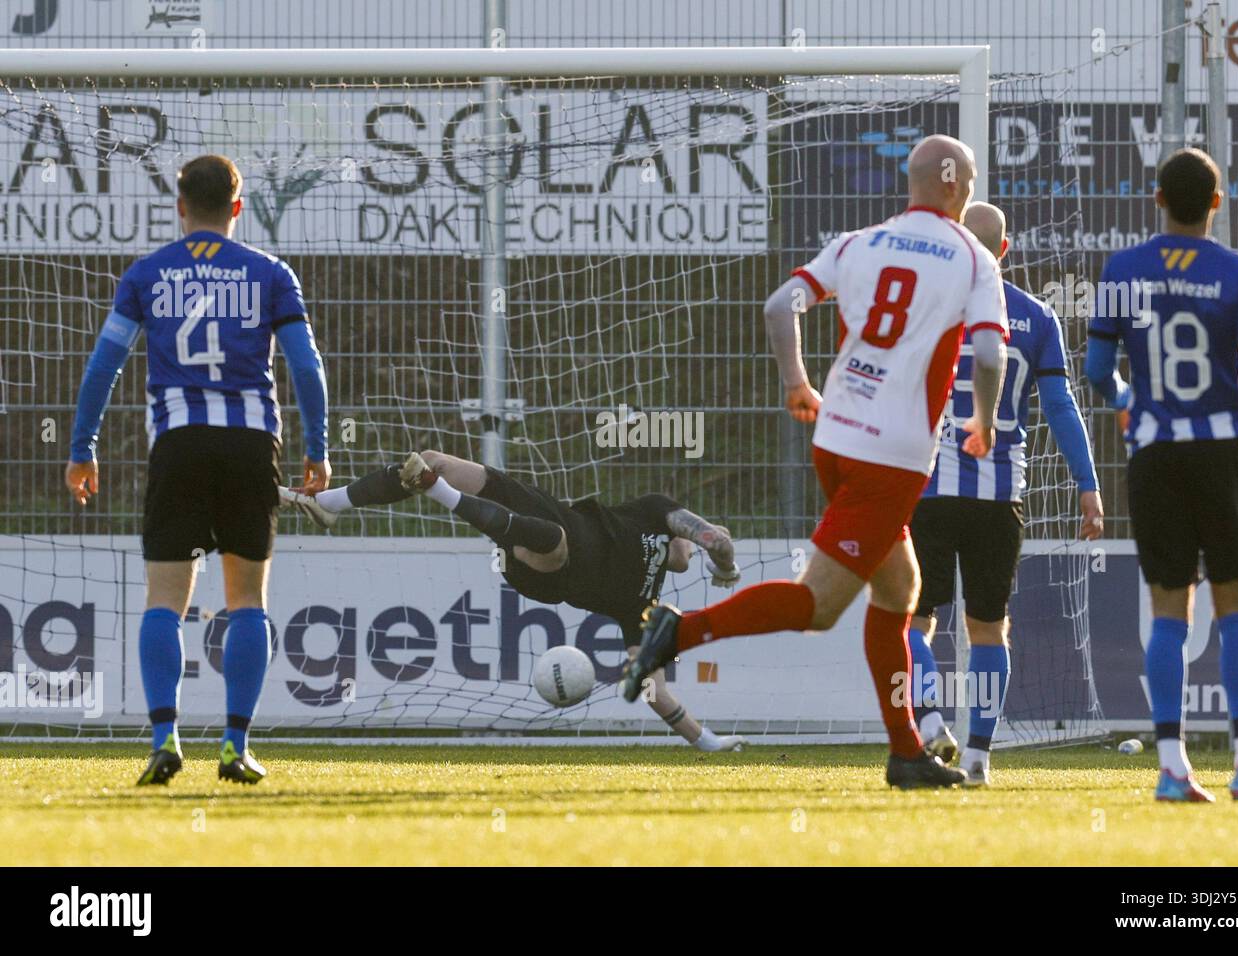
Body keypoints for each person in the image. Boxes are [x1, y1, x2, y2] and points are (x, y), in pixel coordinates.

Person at [621, 135, 1009, 789]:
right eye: (968, 184)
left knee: (899, 589)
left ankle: (906, 753)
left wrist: (796, 383)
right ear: (953, 186)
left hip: (836, 436)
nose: (968, 193)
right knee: (820, 605)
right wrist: (985, 420)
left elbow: (781, 306)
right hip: (892, 456)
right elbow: (991, 356)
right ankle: (679, 632)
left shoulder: (860, 243)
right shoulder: (972, 256)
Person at [65, 154, 330, 785]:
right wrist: (317, 448)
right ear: (237, 207)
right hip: (249, 445)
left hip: (179, 443)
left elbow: (103, 366)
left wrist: (82, 447)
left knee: (164, 600)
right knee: (246, 601)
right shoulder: (270, 273)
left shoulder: (147, 274)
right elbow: (306, 365)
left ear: (180, 206)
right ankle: (235, 746)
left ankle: (164, 738)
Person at [281, 450, 747, 751]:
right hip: (545, 510)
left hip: (545, 572)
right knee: (434, 460)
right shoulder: (654, 511)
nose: (691, 549)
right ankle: (330, 504)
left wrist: (706, 740)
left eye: (695, 548)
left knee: (553, 540)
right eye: (689, 540)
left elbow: (654, 690)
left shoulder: (642, 609)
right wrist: (722, 564)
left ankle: (440, 493)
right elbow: (714, 538)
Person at [1086, 147, 1238, 802]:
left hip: (1156, 453)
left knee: (1168, 607)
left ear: (1158, 200)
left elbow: (1096, 370)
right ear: (1217, 203)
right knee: (1236, 607)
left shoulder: (1122, 269)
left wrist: (1126, 403)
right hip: (1220, 449)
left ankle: (1171, 766)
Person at [908, 202, 1104, 786]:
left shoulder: (925, 306)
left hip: (930, 488)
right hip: (999, 496)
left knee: (912, 620)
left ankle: (929, 720)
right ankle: (978, 757)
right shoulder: (1036, 317)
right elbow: (1061, 408)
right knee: (989, 628)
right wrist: (1087, 485)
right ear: (1005, 249)